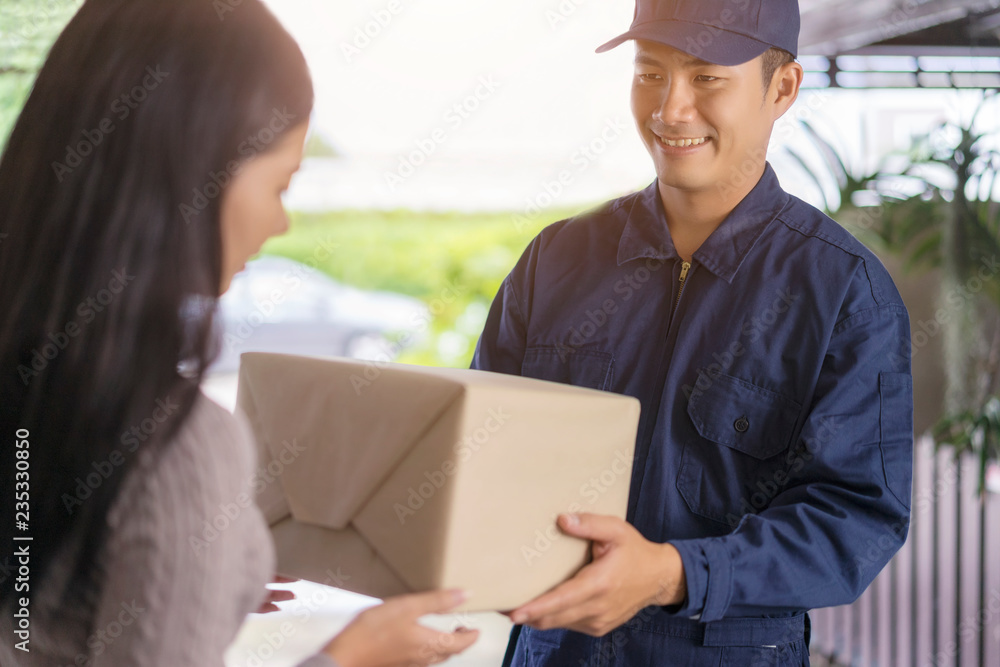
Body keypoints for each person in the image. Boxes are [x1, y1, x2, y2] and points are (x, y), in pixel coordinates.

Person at [0, 1, 478, 665]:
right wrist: (352, 657)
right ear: (197, 173)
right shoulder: (177, 446)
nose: (280, 223)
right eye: (281, 183)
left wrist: (195, 579)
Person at [472, 0, 913, 664]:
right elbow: (479, 450)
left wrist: (673, 572)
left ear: (782, 88)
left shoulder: (844, 292)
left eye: (707, 77)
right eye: (650, 72)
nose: (670, 109)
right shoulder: (556, 260)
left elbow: (854, 520)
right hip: (553, 649)